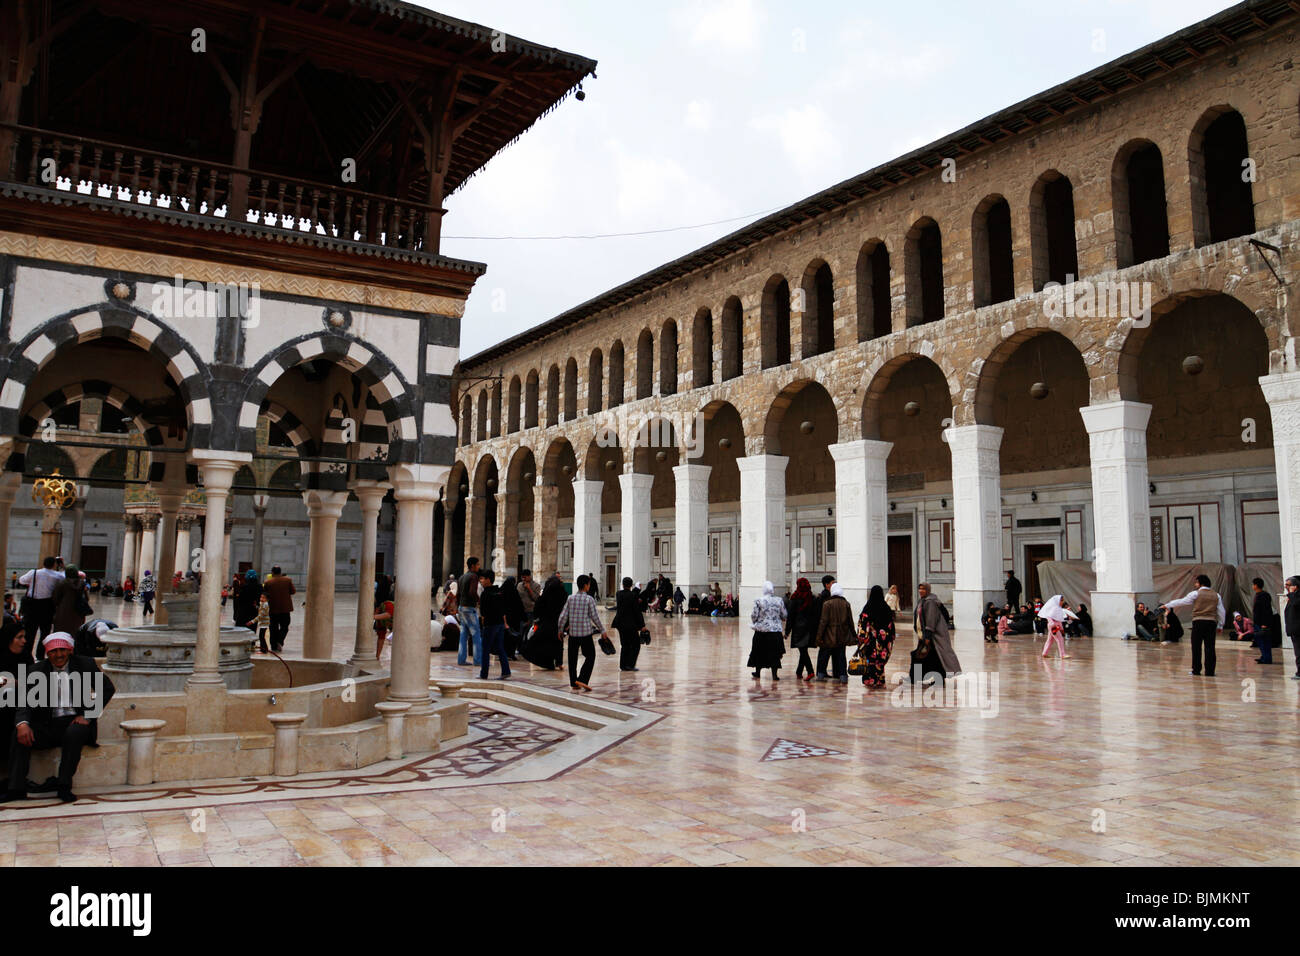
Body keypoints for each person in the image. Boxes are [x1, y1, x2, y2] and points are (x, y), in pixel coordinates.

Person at [1, 632, 116, 803]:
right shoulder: (36, 670)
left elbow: (107, 688)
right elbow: (24, 701)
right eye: (53, 651)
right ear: (47, 653)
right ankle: (16, 788)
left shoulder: (85, 665)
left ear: (69, 650)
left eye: (62, 650)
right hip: (49, 725)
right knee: (19, 735)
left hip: (74, 722)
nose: (59, 655)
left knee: (75, 732)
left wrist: (88, 715)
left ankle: (64, 785)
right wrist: (22, 724)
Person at [1161, 574, 1225, 677]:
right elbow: (1221, 611)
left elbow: (1182, 602)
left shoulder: (1195, 594)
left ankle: (1196, 670)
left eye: (1196, 583)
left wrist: (1168, 605)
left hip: (1198, 622)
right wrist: (1221, 625)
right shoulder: (1216, 595)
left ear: (1200, 583)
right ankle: (1210, 671)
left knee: (1196, 647)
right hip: (1211, 623)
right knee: (1210, 647)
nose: (1195, 585)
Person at [558, 574, 608, 691]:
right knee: (590, 656)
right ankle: (583, 679)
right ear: (585, 585)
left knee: (572, 658)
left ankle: (574, 683)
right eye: (589, 584)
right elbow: (595, 617)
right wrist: (602, 630)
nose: (589, 586)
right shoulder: (589, 599)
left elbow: (563, 616)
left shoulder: (570, 598)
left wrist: (560, 630)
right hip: (585, 634)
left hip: (573, 634)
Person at [914, 583, 961, 679]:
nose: (920, 591)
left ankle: (934, 677)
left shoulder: (930, 602)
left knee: (936, 656)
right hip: (924, 634)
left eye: (923, 589)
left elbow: (931, 619)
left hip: (933, 636)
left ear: (927, 590)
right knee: (927, 657)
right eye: (919, 589)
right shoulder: (922, 601)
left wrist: (927, 636)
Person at [18, 557, 64, 653]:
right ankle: (40, 655)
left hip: (32, 605)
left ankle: (27, 655)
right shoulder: (57, 575)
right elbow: (67, 577)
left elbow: (21, 580)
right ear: (54, 565)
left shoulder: (34, 573)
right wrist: (62, 565)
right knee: (45, 633)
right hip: (47, 606)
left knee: (29, 632)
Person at [522, 572, 567, 670]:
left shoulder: (545, 596)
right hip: (557, 625)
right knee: (558, 643)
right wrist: (566, 624)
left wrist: (537, 620)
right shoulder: (562, 595)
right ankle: (558, 662)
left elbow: (537, 609)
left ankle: (548, 663)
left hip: (545, 624)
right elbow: (565, 611)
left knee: (544, 643)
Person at [857, 585, 897, 688]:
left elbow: (862, 624)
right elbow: (891, 626)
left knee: (869, 660)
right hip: (882, 641)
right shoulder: (886, 608)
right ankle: (879, 680)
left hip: (869, 641)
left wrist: (862, 638)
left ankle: (869, 680)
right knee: (879, 661)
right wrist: (888, 637)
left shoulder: (867, 607)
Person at [815, 582, 854, 684]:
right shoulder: (846, 604)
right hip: (842, 634)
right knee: (841, 656)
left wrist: (819, 636)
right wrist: (854, 635)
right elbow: (850, 621)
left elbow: (823, 622)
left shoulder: (827, 604)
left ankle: (820, 675)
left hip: (828, 634)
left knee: (824, 655)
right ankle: (843, 676)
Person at [748, 581, 787, 680]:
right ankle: (774, 675)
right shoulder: (779, 600)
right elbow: (784, 615)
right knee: (774, 653)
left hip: (762, 631)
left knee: (759, 651)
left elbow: (754, 615)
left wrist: (756, 621)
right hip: (775, 631)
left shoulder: (758, 600)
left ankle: (757, 672)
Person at [477, 570, 510, 680]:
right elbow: (503, 609)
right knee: (500, 648)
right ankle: (506, 671)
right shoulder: (499, 592)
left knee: (485, 649)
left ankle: (484, 674)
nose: (481, 581)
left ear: (488, 580)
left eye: (482, 579)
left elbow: (483, 612)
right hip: (499, 624)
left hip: (490, 624)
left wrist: (483, 623)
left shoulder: (485, 594)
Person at [786, 577, 817, 680]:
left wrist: (787, 631)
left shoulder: (795, 598)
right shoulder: (812, 597)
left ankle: (810, 671)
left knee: (803, 651)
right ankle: (799, 671)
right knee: (803, 649)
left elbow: (790, 616)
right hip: (810, 628)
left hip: (799, 628)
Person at [613, 577, 645, 672]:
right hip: (630, 624)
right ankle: (630, 665)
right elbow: (637, 611)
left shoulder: (618, 594)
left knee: (625, 645)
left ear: (623, 584)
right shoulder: (633, 595)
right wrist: (642, 625)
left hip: (620, 623)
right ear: (631, 585)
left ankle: (623, 665)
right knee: (635, 645)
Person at [261, 566, 296, 653]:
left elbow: (264, 594)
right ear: (280, 572)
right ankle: (280, 641)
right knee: (285, 626)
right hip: (285, 608)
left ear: (272, 572)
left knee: (273, 628)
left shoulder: (268, 582)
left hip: (272, 608)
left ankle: (273, 646)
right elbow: (293, 591)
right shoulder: (288, 580)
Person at [51, 564, 90, 638]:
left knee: (61, 635)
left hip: (63, 612)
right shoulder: (82, 583)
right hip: (78, 612)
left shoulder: (62, 583)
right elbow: (86, 598)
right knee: (75, 634)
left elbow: (55, 598)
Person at [456, 556, 482, 667]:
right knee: (476, 635)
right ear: (473, 566)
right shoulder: (473, 576)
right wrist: (479, 600)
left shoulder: (461, 577)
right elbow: (472, 592)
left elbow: (457, 594)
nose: (478, 566)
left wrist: (459, 605)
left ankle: (461, 660)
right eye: (477, 564)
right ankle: (478, 660)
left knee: (463, 635)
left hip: (461, 607)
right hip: (469, 608)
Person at [1249, 577, 1278, 665]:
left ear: (1256, 586)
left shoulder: (1264, 595)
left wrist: (1265, 623)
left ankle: (1267, 658)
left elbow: (1266, 610)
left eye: (1253, 584)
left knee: (1265, 641)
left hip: (1262, 623)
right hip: (1258, 622)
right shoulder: (1258, 595)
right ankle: (1264, 656)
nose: (1252, 586)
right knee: (1260, 641)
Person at [813, 574, 837, 679]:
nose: (834, 584)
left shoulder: (828, 595)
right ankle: (821, 672)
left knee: (826, 651)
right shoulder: (825, 597)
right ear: (827, 585)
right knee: (825, 651)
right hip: (825, 628)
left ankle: (822, 672)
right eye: (832, 583)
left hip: (827, 628)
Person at [1038, 594, 1075, 660]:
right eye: (1061, 600)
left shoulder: (1058, 608)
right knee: (1060, 639)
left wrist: (1061, 628)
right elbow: (1049, 616)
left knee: (1050, 640)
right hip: (1053, 626)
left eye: (1062, 600)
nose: (1062, 602)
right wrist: (1052, 623)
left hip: (1055, 625)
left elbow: (1060, 619)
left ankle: (1044, 653)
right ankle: (1062, 654)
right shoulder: (1055, 608)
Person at [501, 575, 526, 660]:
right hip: (514, 619)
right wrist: (524, 618)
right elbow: (520, 606)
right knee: (513, 636)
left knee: (505, 636)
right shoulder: (514, 592)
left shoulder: (501, 591)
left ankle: (503, 653)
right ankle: (511, 653)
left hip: (504, 619)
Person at [233, 568, 263, 638]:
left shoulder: (244, 587)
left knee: (242, 630)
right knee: (252, 630)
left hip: (243, 612)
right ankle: (251, 645)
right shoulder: (260, 587)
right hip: (254, 611)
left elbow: (239, 601)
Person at [373, 575, 394, 661]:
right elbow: (389, 613)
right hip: (382, 617)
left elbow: (389, 614)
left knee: (381, 636)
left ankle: (377, 656)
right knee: (381, 635)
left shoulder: (381, 597)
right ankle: (377, 656)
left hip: (382, 616)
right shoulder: (390, 594)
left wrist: (374, 616)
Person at [1285, 575, 1300, 681]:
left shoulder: (1296, 596)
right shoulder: (1292, 596)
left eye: (1288, 585)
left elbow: (1296, 604)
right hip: (1294, 630)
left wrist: (1291, 594)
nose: (1286, 587)